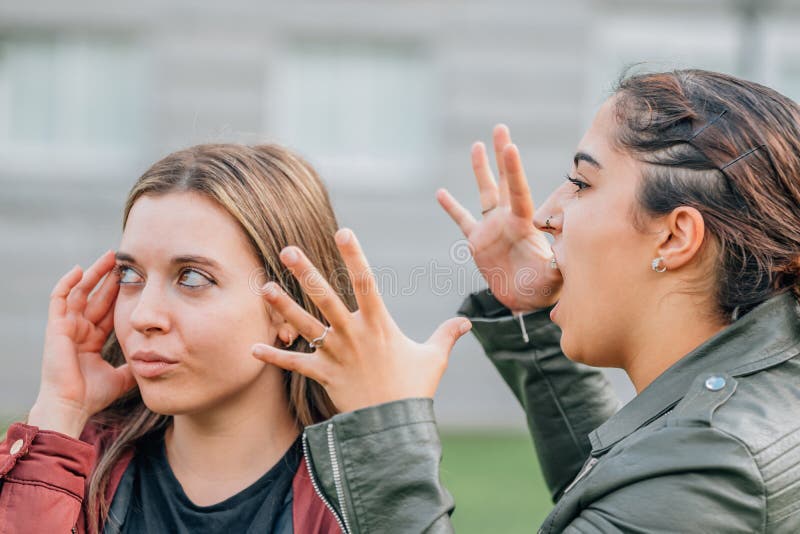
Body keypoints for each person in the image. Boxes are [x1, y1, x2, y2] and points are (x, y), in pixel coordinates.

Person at [252, 69, 800, 533]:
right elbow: (620, 495)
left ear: (676, 236)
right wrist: (534, 315)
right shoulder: (757, 400)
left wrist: (384, 422)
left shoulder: (710, 468)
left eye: (582, 184)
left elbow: (655, 495)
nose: (545, 216)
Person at [0, 144, 375, 533]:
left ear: (286, 309)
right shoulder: (69, 473)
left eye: (192, 277)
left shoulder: (359, 500)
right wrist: (59, 414)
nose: (143, 316)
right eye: (130, 275)